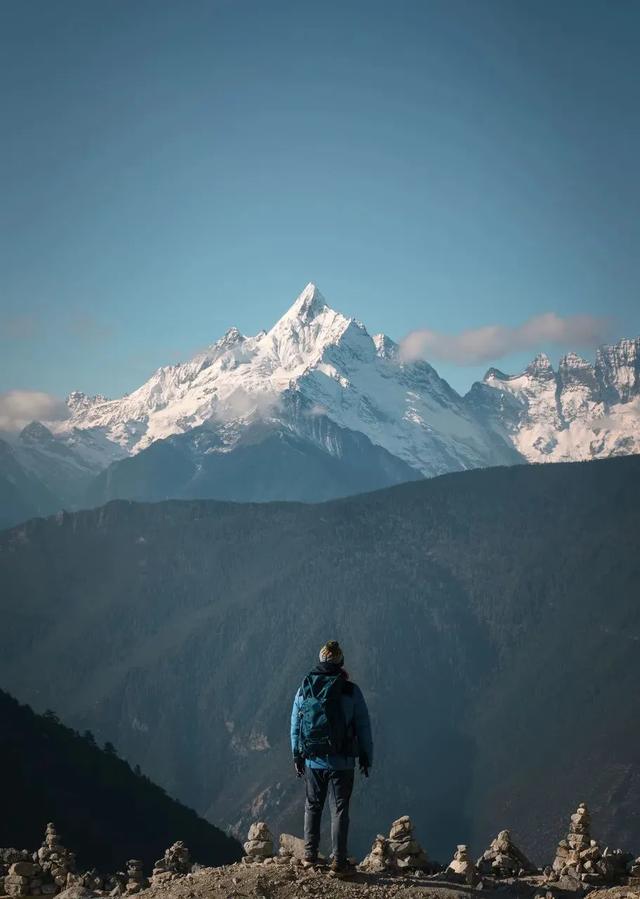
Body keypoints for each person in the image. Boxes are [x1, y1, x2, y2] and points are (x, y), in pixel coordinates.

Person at [290, 640, 373, 874]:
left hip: (313, 759)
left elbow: (296, 724)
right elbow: (363, 726)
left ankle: (309, 856)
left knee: (312, 806)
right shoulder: (350, 690)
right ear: (341, 662)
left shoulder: (305, 687)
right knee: (339, 809)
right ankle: (339, 861)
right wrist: (366, 756)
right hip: (342, 760)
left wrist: (297, 753)